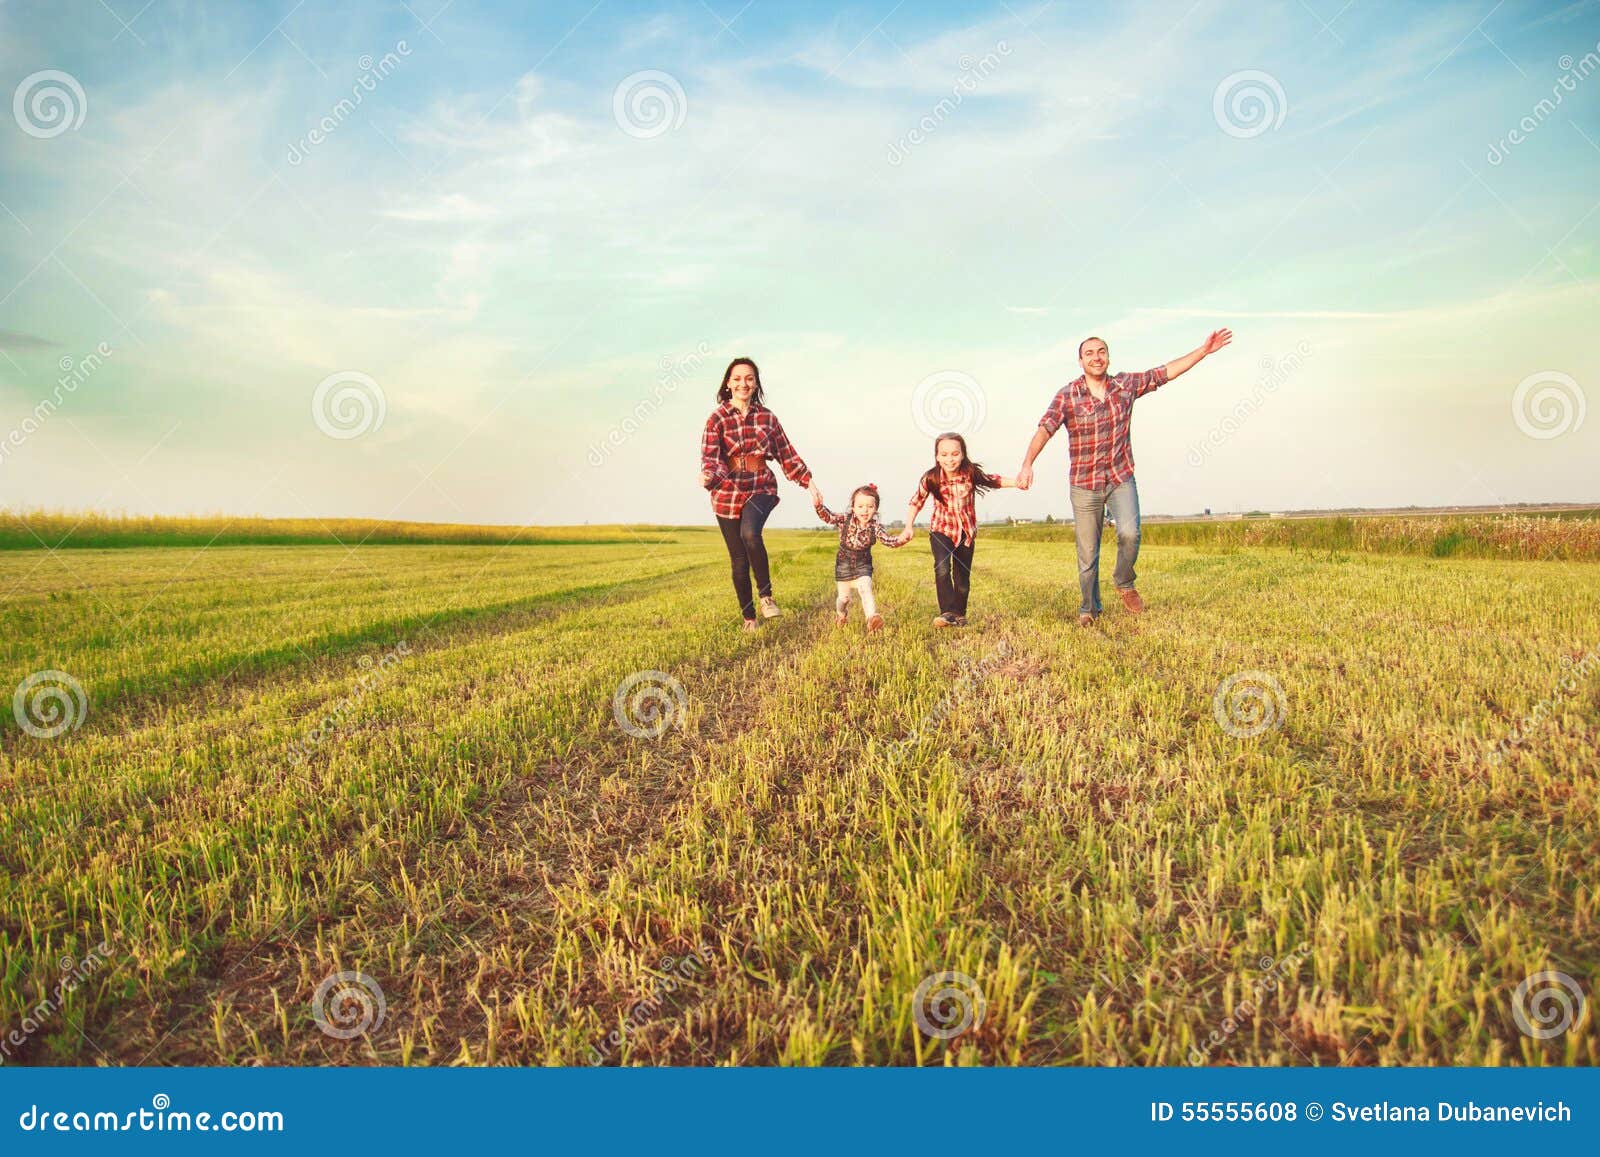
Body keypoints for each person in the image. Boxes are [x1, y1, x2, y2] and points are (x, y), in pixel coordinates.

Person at [1017, 330, 1232, 626]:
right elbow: (1045, 428)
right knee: (1088, 552)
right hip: (1084, 483)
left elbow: (1165, 372)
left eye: (1101, 351)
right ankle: (1089, 608)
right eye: (1090, 353)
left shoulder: (1125, 385)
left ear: (1108, 357)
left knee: (1131, 534)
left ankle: (1124, 581)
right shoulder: (1067, 395)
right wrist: (1027, 463)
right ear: (1080, 361)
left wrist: (1203, 351)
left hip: (1120, 477)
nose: (1096, 357)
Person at [699, 357, 821, 631]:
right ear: (728, 384)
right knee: (738, 559)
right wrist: (709, 475)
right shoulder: (716, 419)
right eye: (738, 378)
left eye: (749, 378)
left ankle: (766, 597)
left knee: (751, 533)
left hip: (760, 485)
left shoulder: (767, 417)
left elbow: (786, 453)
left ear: (755, 384)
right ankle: (749, 618)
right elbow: (710, 458)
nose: (744, 383)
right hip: (727, 492)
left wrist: (809, 484)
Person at [904, 432, 1019, 628]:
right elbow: (916, 502)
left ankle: (959, 614)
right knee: (941, 568)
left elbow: (993, 480)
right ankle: (947, 612)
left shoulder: (970, 474)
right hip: (941, 529)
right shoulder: (931, 478)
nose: (950, 459)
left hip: (966, 532)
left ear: (963, 454)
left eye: (955, 454)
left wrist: (1017, 482)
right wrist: (908, 526)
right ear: (937, 456)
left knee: (962, 577)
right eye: (945, 454)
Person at [814, 483, 913, 632]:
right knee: (844, 598)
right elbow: (828, 517)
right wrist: (819, 506)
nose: (865, 510)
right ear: (853, 507)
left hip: (863, 562)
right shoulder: (844, 519)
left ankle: (872, 619)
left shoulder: (875, 526)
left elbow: (887, 540)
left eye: (870, 507)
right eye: (860, 506)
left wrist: (901, 539)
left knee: (865, 588)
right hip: (844, 562)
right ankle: (841, 614)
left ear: (875, 509)